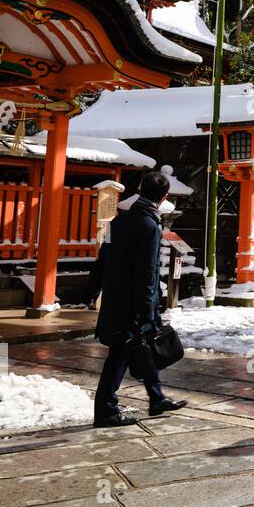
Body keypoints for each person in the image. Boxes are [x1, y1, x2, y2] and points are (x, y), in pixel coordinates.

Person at [92, 170, 186, 428]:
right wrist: (148, 306)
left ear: (140, 190)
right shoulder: (150, 226)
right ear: (163, 196)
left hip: (115, 297)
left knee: (142, 346)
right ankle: (105, 411)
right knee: (120, 354)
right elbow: (148, 271)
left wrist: (92, 289)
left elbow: (103, 259)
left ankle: (156, 398)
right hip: (135, 302)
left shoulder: (116, 223)